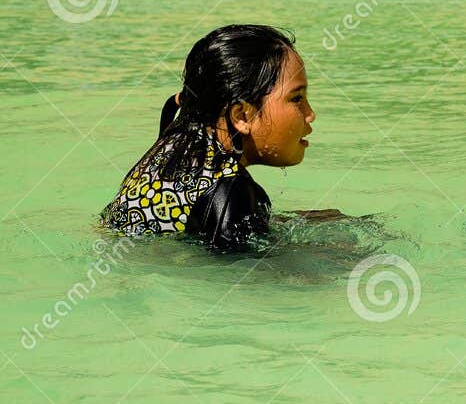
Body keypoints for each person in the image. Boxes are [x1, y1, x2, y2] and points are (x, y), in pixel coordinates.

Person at [100, 23, 341, 252]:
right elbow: (245, 280)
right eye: (296, 99)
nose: (310, 114)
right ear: (242, 116)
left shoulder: (175, 145)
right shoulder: (229, 189)